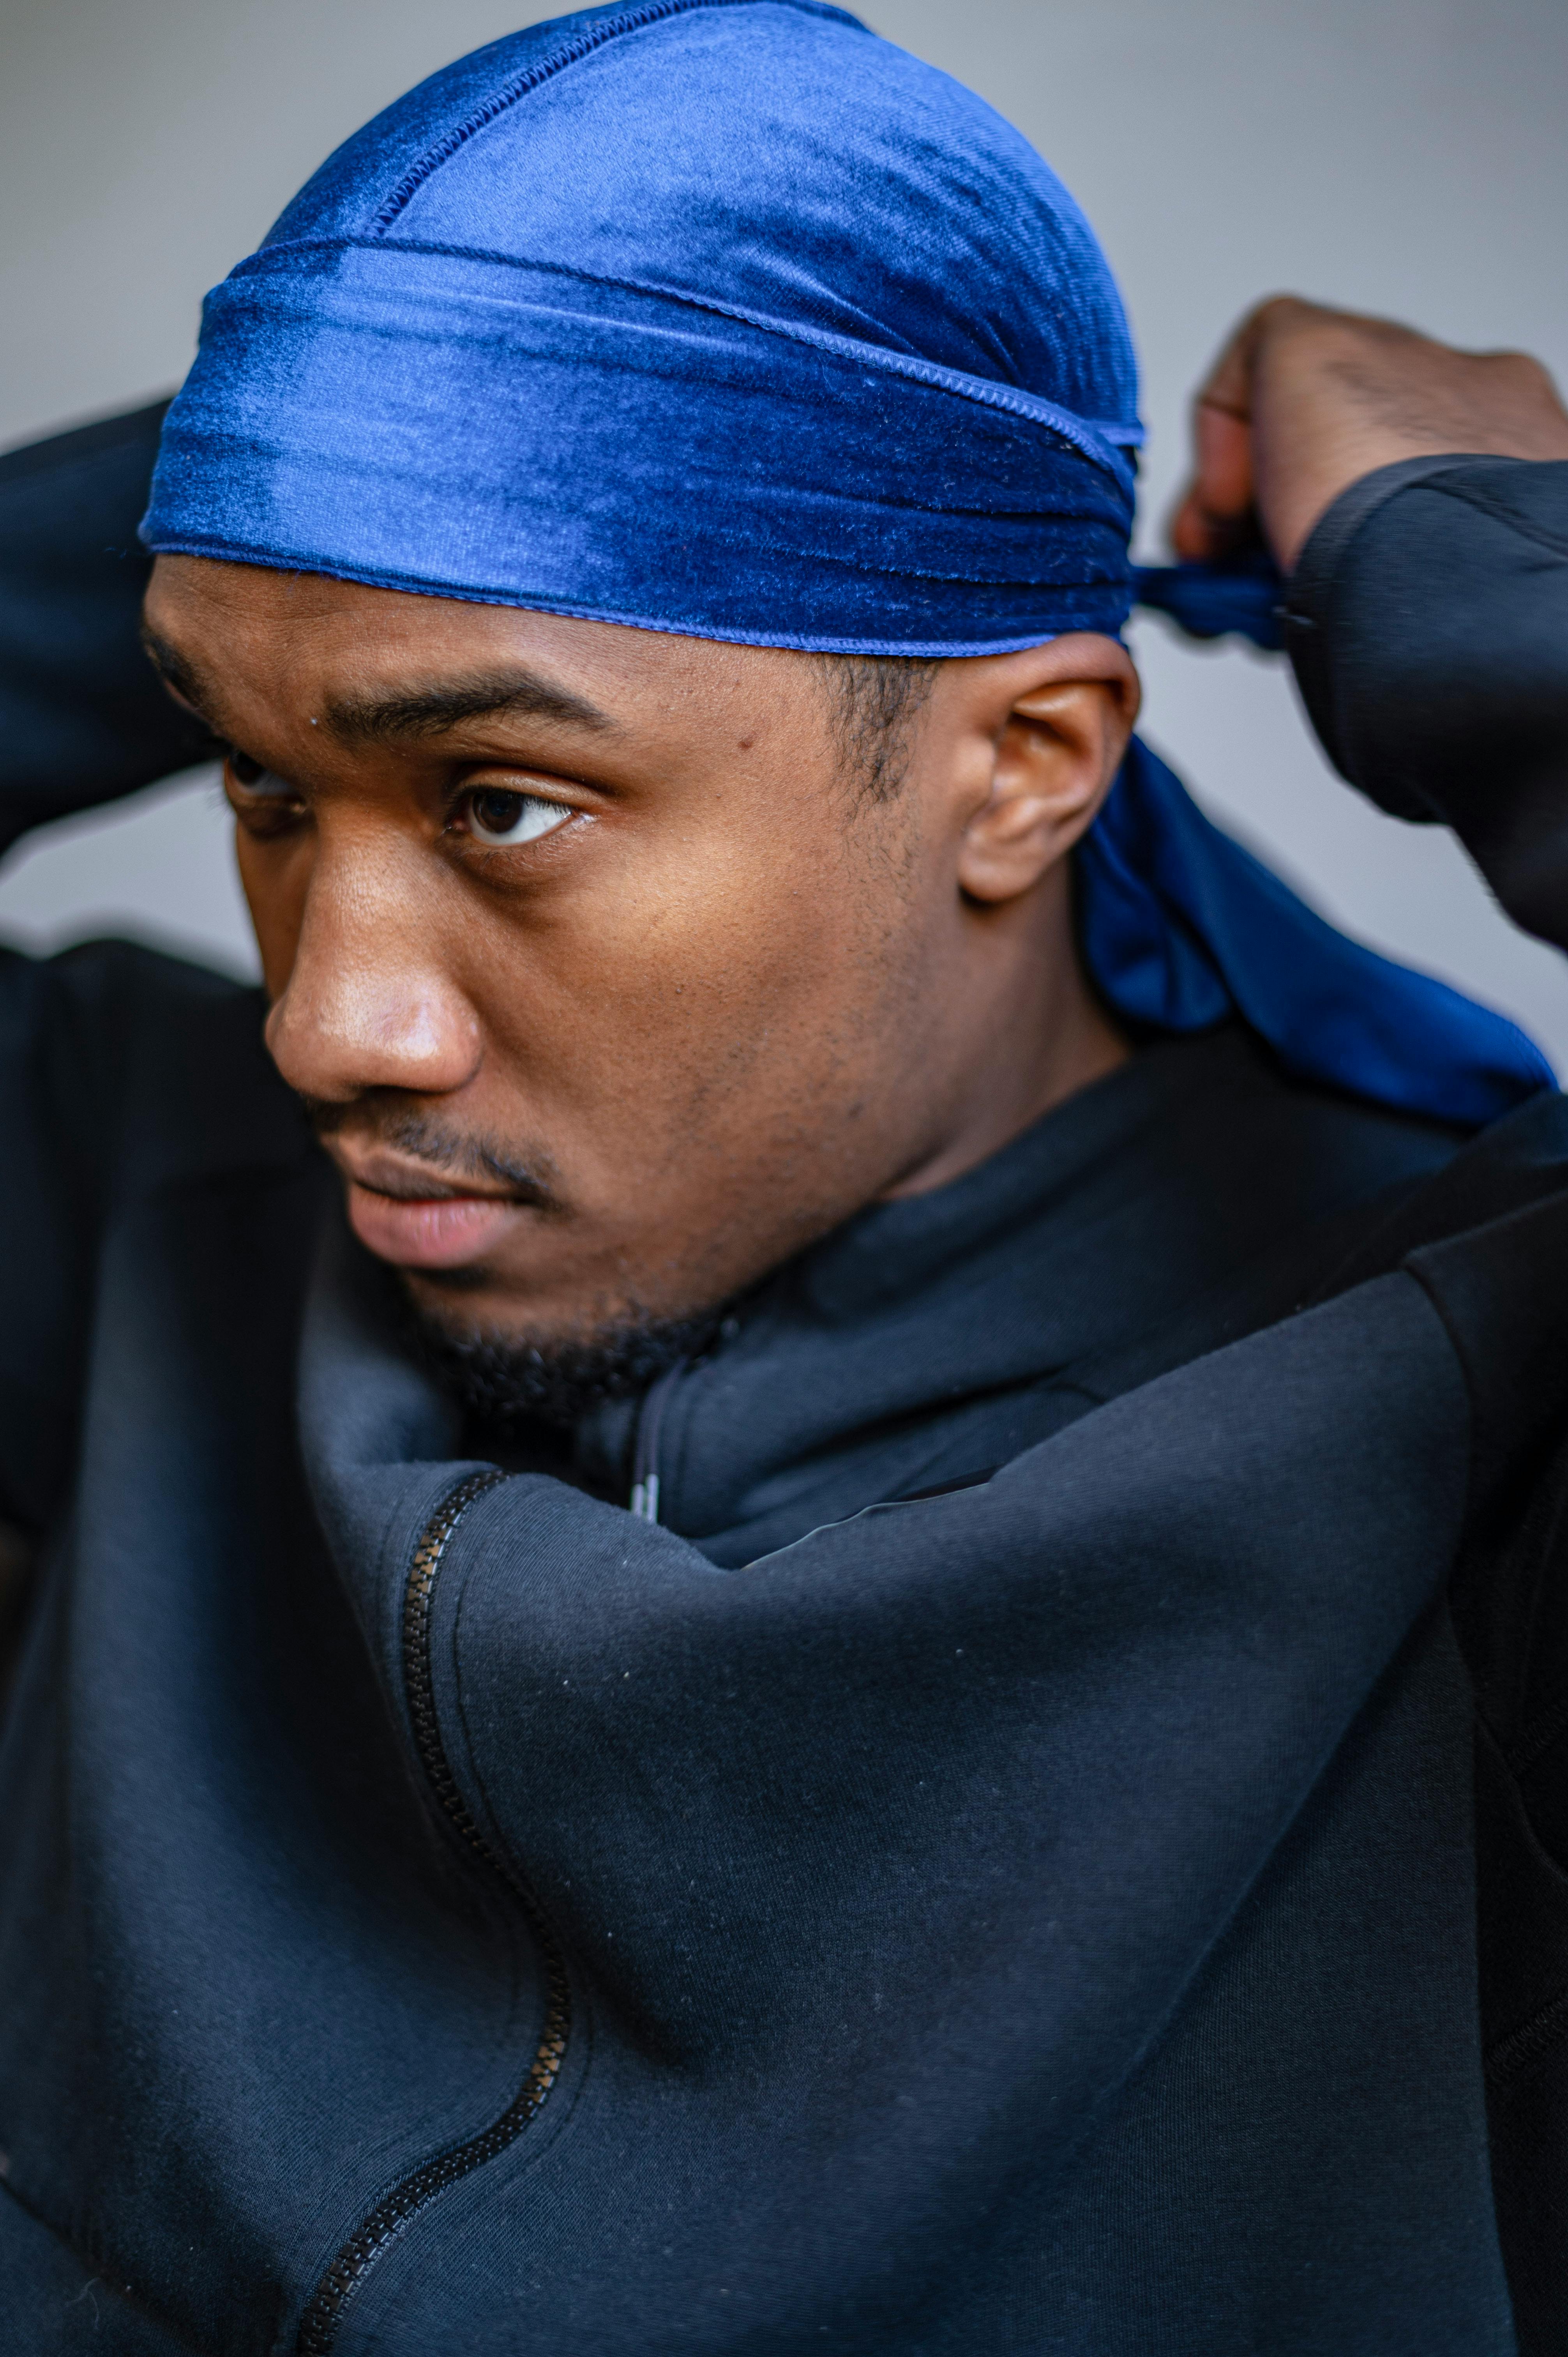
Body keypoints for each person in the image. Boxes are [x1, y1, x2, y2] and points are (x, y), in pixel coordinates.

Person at [3, 8, 1568, 2352]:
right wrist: (376, 408)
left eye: (500, 802)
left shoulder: (1467, 1396)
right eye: (257, 786)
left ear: (1025, 765)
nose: (335, 1022)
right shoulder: (144, 1174)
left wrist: (1477, 575)